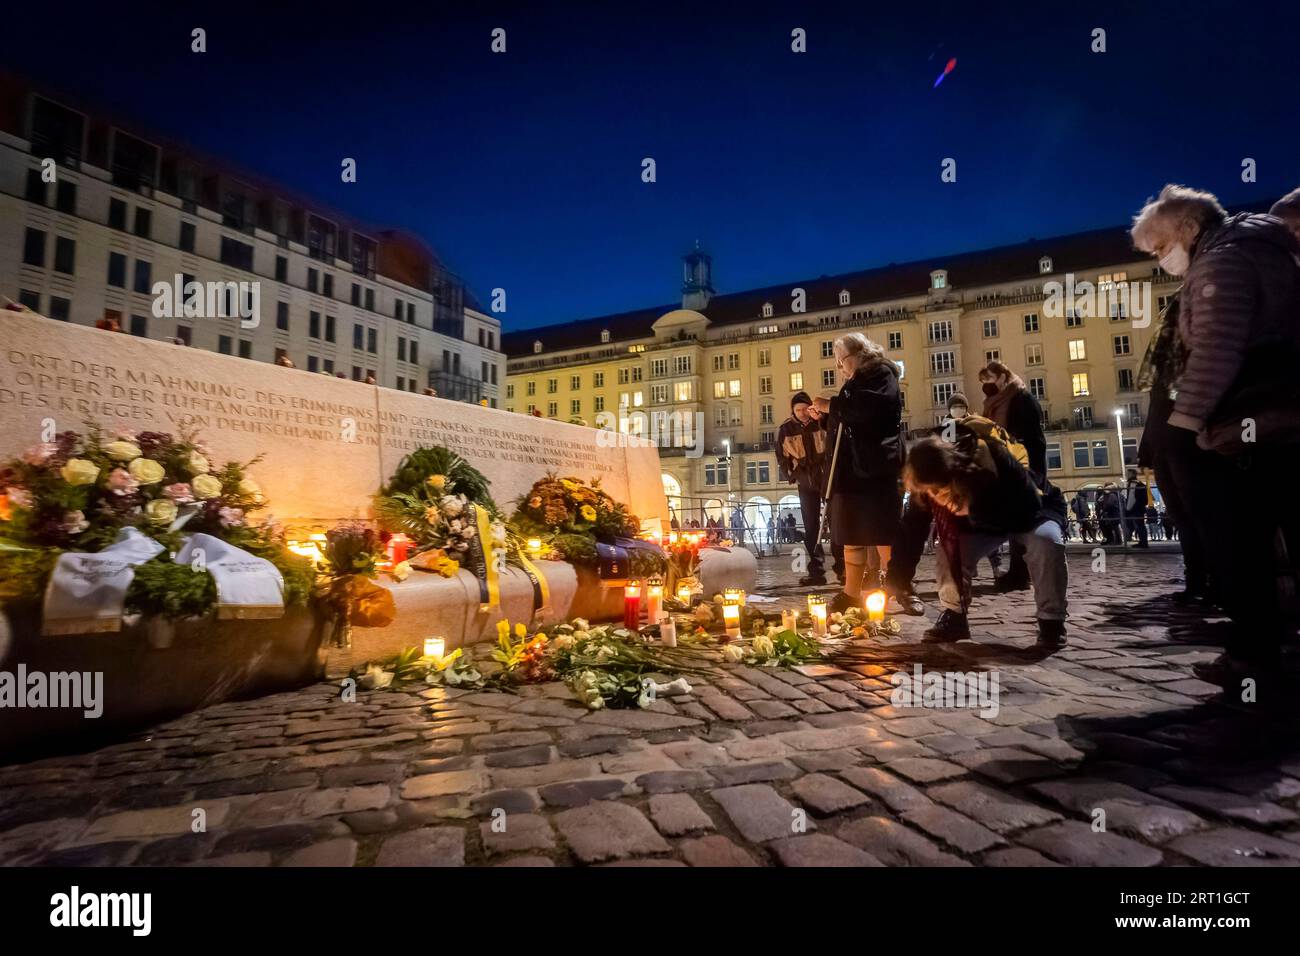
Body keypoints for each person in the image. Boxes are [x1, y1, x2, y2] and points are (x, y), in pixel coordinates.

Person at [1131, 183, 1300, 683]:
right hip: (1278, 416)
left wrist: (1184, 424)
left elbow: (1216, 349)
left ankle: (1253, 651)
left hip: (1247, 420)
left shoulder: (1224, 260)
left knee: (1237, 537)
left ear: (1187, 228)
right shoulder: (1268, 250)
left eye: (1160, 248)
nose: (1162, 259)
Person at [905, 434, 1068, 646]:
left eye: (938, 490)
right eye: (930, 491)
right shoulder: (927, 483)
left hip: (1031, 512)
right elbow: (912, 528)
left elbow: (1029, 505)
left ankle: (1052, 621)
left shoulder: (993, 458)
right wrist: (898, 575)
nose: (935, 496)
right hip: (981, 524)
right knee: (947, 550)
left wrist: (972, 508)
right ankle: (954, 616)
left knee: (1046, 542)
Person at [810, 333, 903, 613]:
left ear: (859, 354)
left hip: (874, 467)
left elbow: (868, 410)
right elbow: (848, 422)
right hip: (850, 470)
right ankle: (851, 591)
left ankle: (897, 586)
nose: (840, 367)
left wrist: (831, 406)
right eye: (837, 363)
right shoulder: (853, 383)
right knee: (851, 532)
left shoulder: (882, 374)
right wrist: (827, 417)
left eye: (842, 361)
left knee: (881, 531)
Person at [978, 361, 1046, 592]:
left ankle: (1022, 574)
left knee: (1023, 524)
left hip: (1023, 470)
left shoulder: (1021, 400)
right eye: (983, 382)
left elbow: (1033, 440)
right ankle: (1018, 572)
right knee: (1016, 523)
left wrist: (1025, 467)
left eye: (989, 380)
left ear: (1002, 377)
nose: (986, 386)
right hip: (1007, 469)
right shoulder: (996, 403)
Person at [777, 391, 832, 585]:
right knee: (810, 526)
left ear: (810, 408)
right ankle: (816, 569)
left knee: (835, 521)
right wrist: (791, 475)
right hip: (805, 480)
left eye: (804, 409)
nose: (801, 413)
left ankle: (843, 568)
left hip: (826, 477)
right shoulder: (786, 428)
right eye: (797, 410)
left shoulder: (821, 422)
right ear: (793, 410)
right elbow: (781, 456)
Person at [1122, 468, 1149, 547]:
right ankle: (1143, 542)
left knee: (1140, 525)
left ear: (1132, 474)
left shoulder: (1133, 483)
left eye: (1128, 474)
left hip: (1136, 508)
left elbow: (1131, 497)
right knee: (1140, 525)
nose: (1126, 475)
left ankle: (1143, 543)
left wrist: (1128, 509)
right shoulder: (1137, 483)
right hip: (1139, 507)